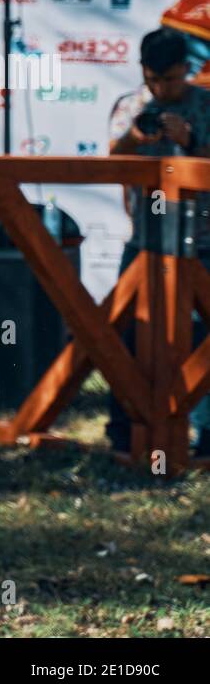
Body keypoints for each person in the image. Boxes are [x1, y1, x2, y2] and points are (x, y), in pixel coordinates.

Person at [107, 27, 210, 458]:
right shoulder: (131, 107)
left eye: (169, 78)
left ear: (186, 69)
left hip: (202, 240)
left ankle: (205, 437)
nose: (161, 88)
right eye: (153, 78)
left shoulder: (205, 103)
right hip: (146, 240)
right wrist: (136, 137)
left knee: (202, 342)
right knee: (122, 334)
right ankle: (123, 433)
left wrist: (192, 141)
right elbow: (112, 161)